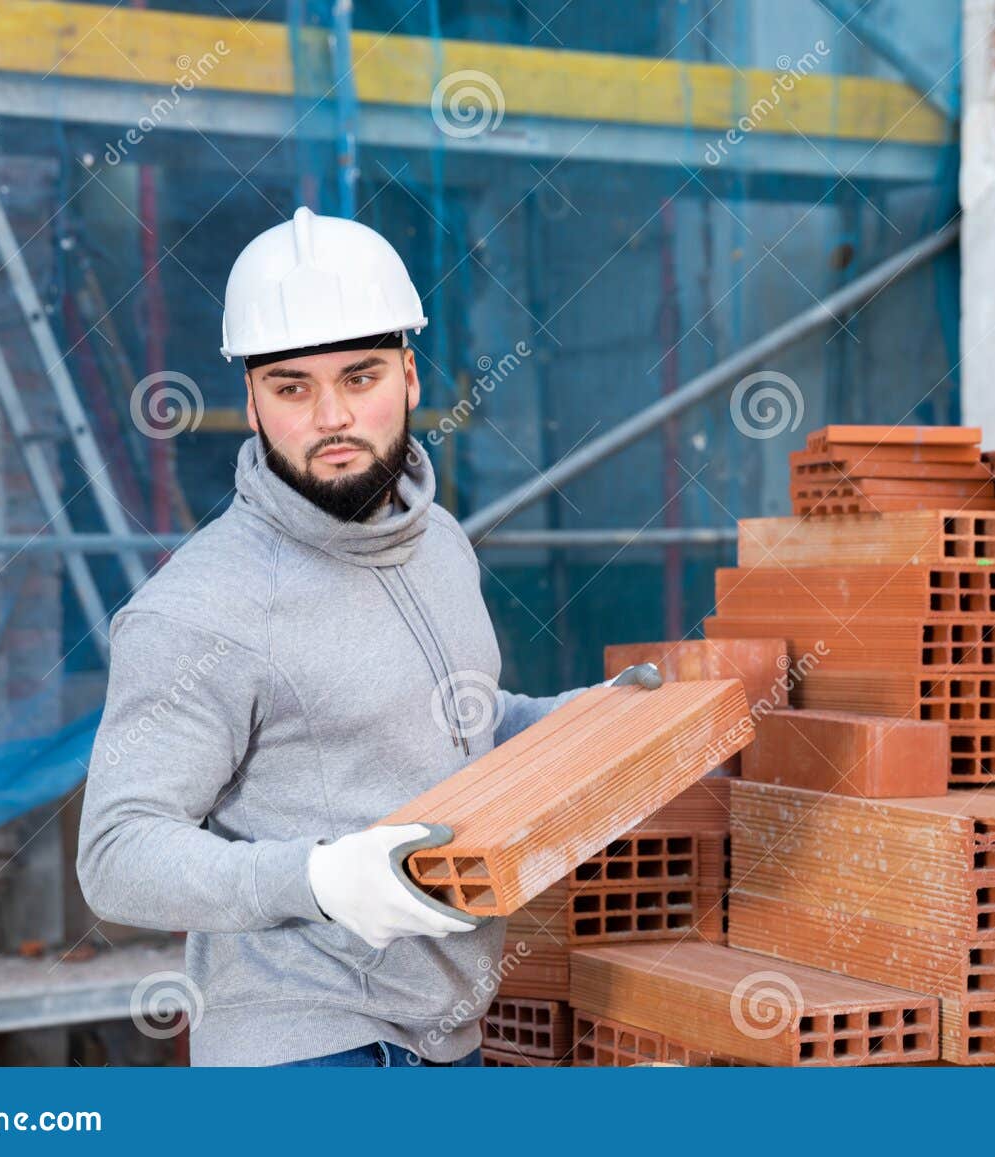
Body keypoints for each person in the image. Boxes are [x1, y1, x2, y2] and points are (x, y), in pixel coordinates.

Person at [77, 207, 657, 1067]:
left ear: (413, 377)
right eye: (291, 387)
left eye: (360, 376)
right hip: (304, 1052)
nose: (330, 417)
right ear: (252, 402)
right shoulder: (200, 609)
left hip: (447, 1033)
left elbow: (461, 722)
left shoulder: (439, 543)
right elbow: (117, 854)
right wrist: (317, 879)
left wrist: (591, 720)